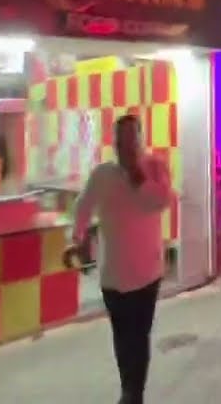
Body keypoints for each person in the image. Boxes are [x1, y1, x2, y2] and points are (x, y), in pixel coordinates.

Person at [67, 115, 175, 404]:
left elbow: (162, 201)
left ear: (141, 138)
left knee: (139, 337)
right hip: (113, 275)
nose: (125, 145)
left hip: (147, 274)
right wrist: (75, 240)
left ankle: (133, 394)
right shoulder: (103, 174)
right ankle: (129, 389)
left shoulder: (155, 168)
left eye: (131, 138)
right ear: (113, 142)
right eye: (120, 139)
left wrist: (137, 176)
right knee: (122, 337)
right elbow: (82, 208)